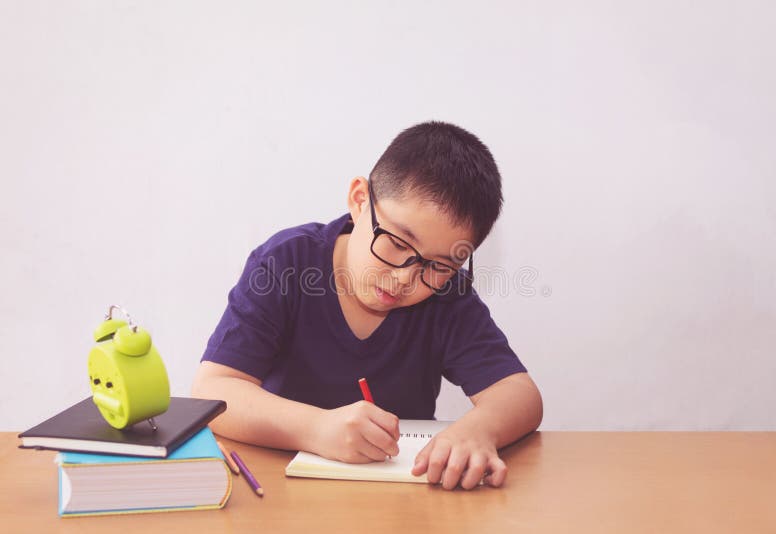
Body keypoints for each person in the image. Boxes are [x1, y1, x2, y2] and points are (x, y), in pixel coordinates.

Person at [192, 121, 543, 490]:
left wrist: (478, 430)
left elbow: (521, 395)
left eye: (438, 265)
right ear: (360, 201)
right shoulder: (285, 264)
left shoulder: (447, 295)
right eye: (396, 242)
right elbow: (214, 389)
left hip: (400, 501)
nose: (405, 278)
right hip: (281, 489)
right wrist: (314, 428)